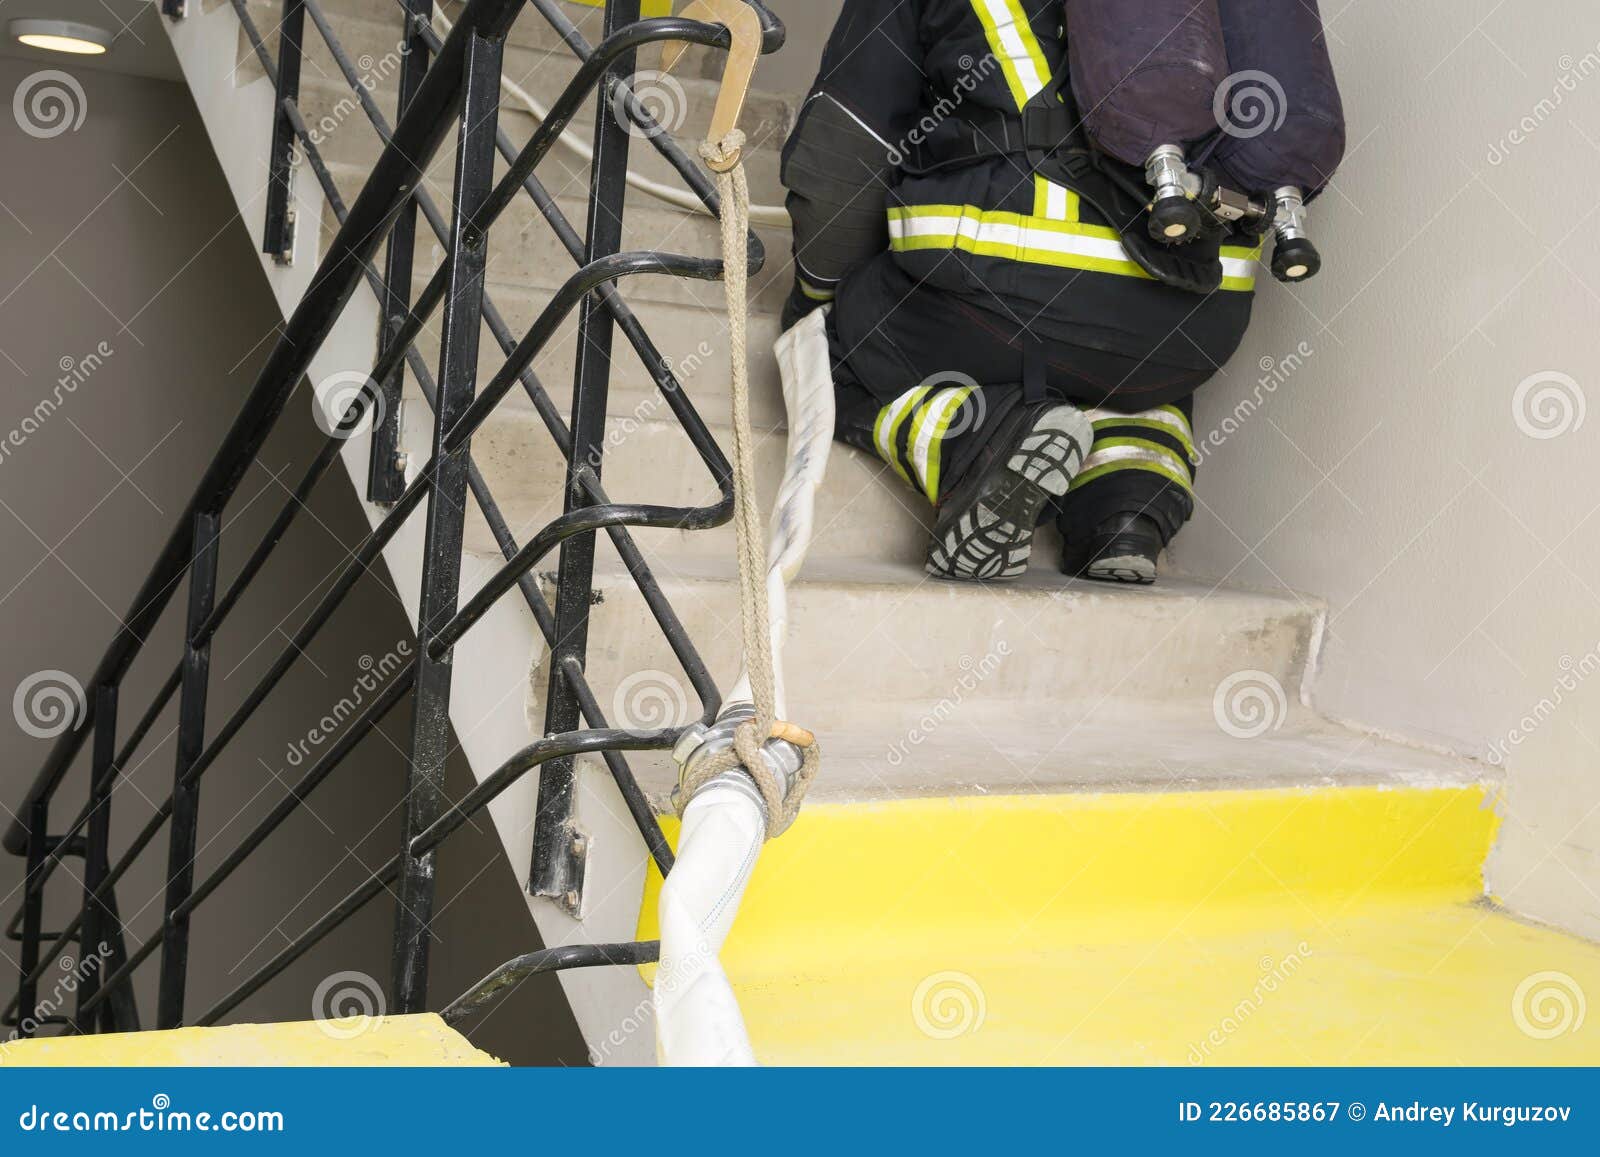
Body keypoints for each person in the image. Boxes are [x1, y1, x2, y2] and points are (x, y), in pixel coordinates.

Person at [776, 0, 1339, 583]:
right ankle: (1125, 507)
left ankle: (981, 440)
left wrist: (819, 297)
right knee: (1132, 326)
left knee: (828, 346)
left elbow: (841, 154)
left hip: (1004, 297)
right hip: (1195, 330)